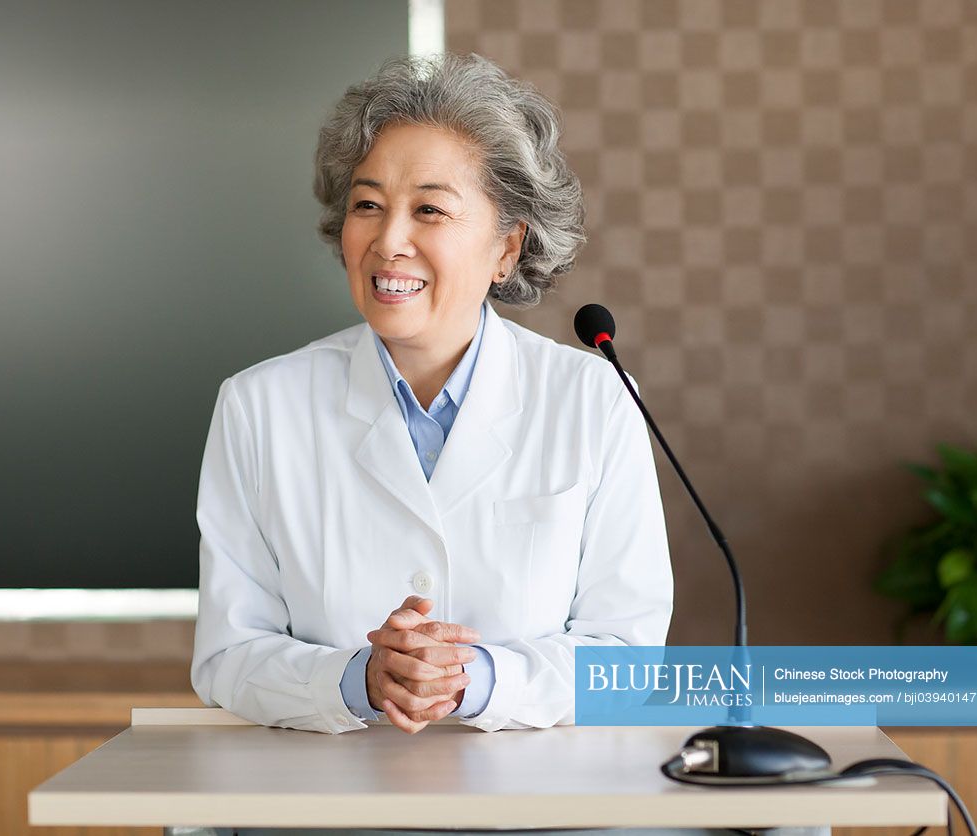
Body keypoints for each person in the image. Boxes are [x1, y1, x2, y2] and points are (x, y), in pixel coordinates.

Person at [190, 53, 673, 736]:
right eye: (367, 205)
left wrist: (472, 681)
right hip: (328, 801)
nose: (388, 241)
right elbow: (228, 657)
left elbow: (627, 660)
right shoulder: (258, 406)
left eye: (428, 210)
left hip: (538, 803)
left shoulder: (594, 398)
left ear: (506, 247)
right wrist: (357, 680)